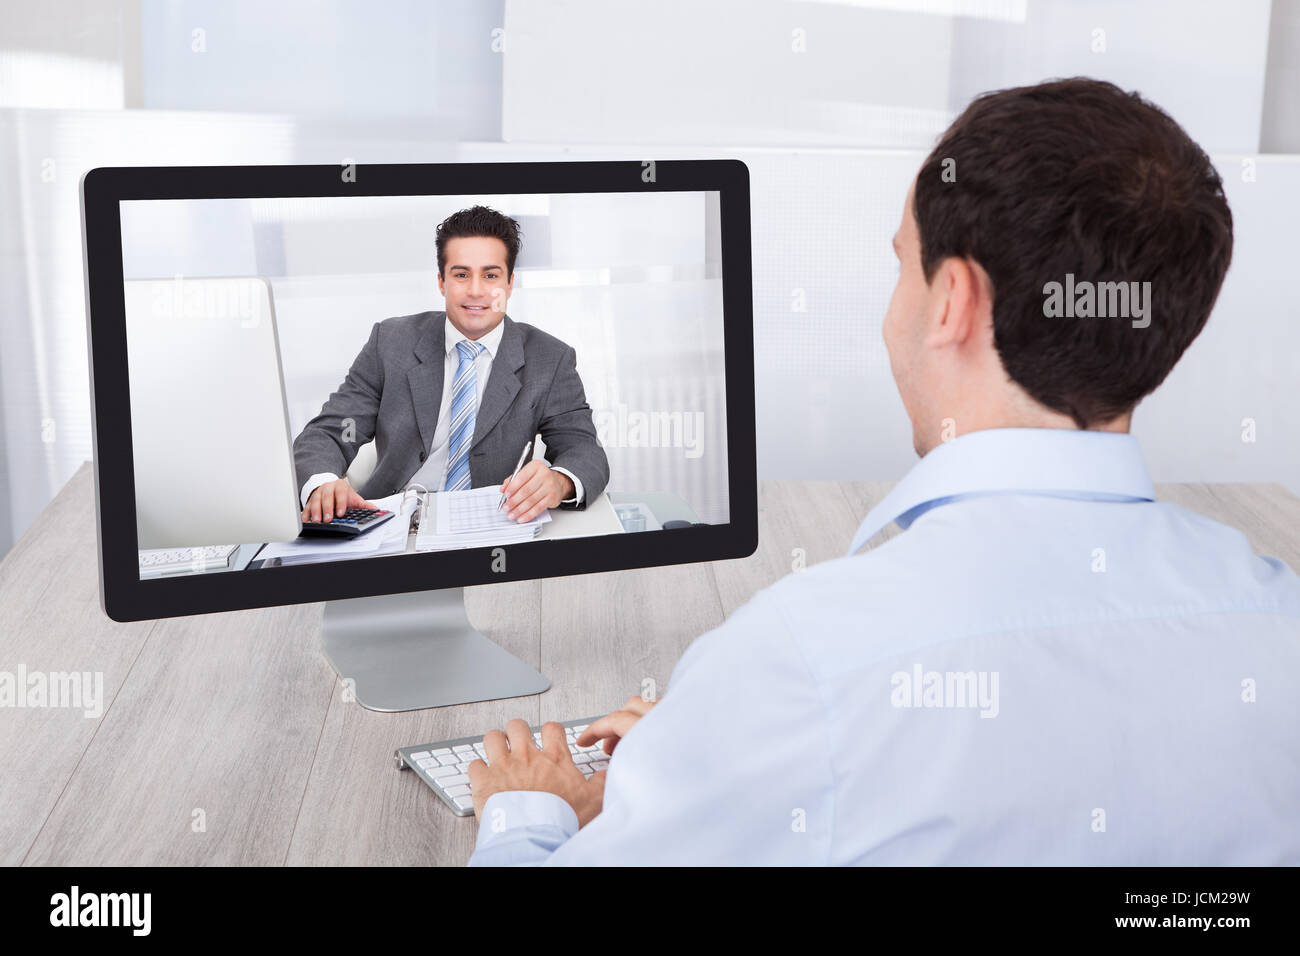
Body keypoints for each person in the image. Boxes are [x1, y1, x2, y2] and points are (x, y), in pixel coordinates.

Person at [464, 78, 1300, 865]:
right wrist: (711, 755)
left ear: (954, 303)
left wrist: (526, 806)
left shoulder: (806, 659)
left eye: (903, 263)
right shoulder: (1278, 617)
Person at [293, 205, 609, 525]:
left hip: (493, 527)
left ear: (510, 284)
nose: (475, 290)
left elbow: (584, 449)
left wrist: (560, 481)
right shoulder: (390, 343)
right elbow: (330, 432)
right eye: (461, 274)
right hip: (390, 526)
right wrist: (323, 483)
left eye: (490, 275)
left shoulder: (549, 358)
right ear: (442, 282)